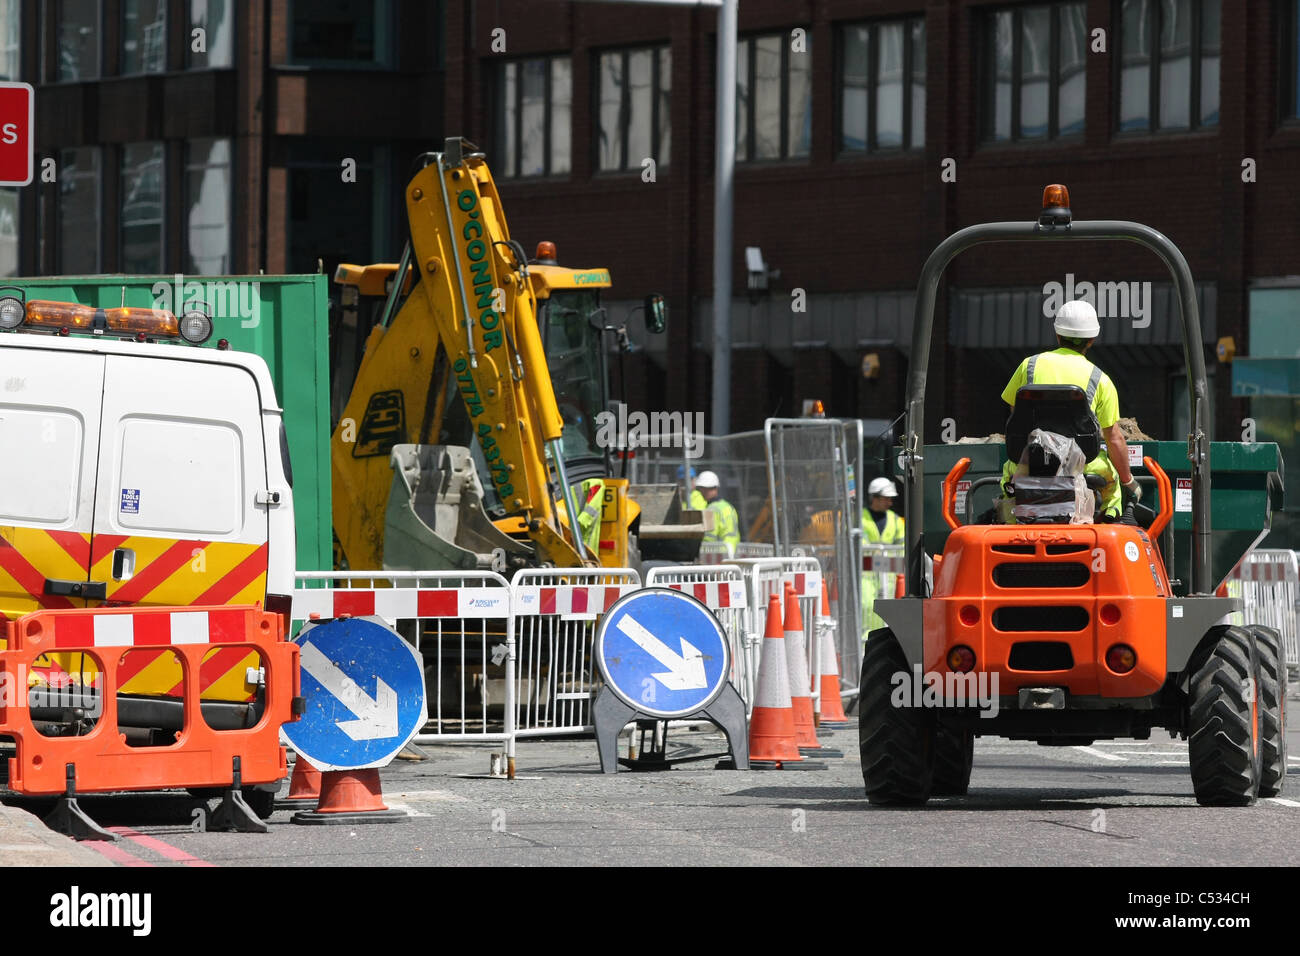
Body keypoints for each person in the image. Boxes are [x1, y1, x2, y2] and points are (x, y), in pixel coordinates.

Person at [1000, 299, 1140, 519]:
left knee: (1009, 477)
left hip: (1030, 463)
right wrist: (1128, 481)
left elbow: (1014, 413)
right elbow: (1114, 439)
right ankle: (1111, 521)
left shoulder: (1029, 366)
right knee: (1111, 482)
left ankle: (1010, 526)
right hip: (1082, 468)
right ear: (1092, 340)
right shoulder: (1100, 379)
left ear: (1057, 334)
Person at [861, 477, 904, 639]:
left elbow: (903, 545)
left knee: (886, 610)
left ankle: (880, 641)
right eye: (886, 498)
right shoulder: (860, 518)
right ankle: (866, 643)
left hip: (889, 574)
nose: (890, 503)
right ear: (874, 498)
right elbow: (860, 546)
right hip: (866, 574)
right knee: (867, 606)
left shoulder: (895, 519)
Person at [695, 470, 740, 557]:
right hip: (733, 552)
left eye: (701, 489)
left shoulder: (710, 510)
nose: (700, 492)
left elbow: (708, 537)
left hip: (718, 555)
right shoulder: (728, 506)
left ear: (705, 489)